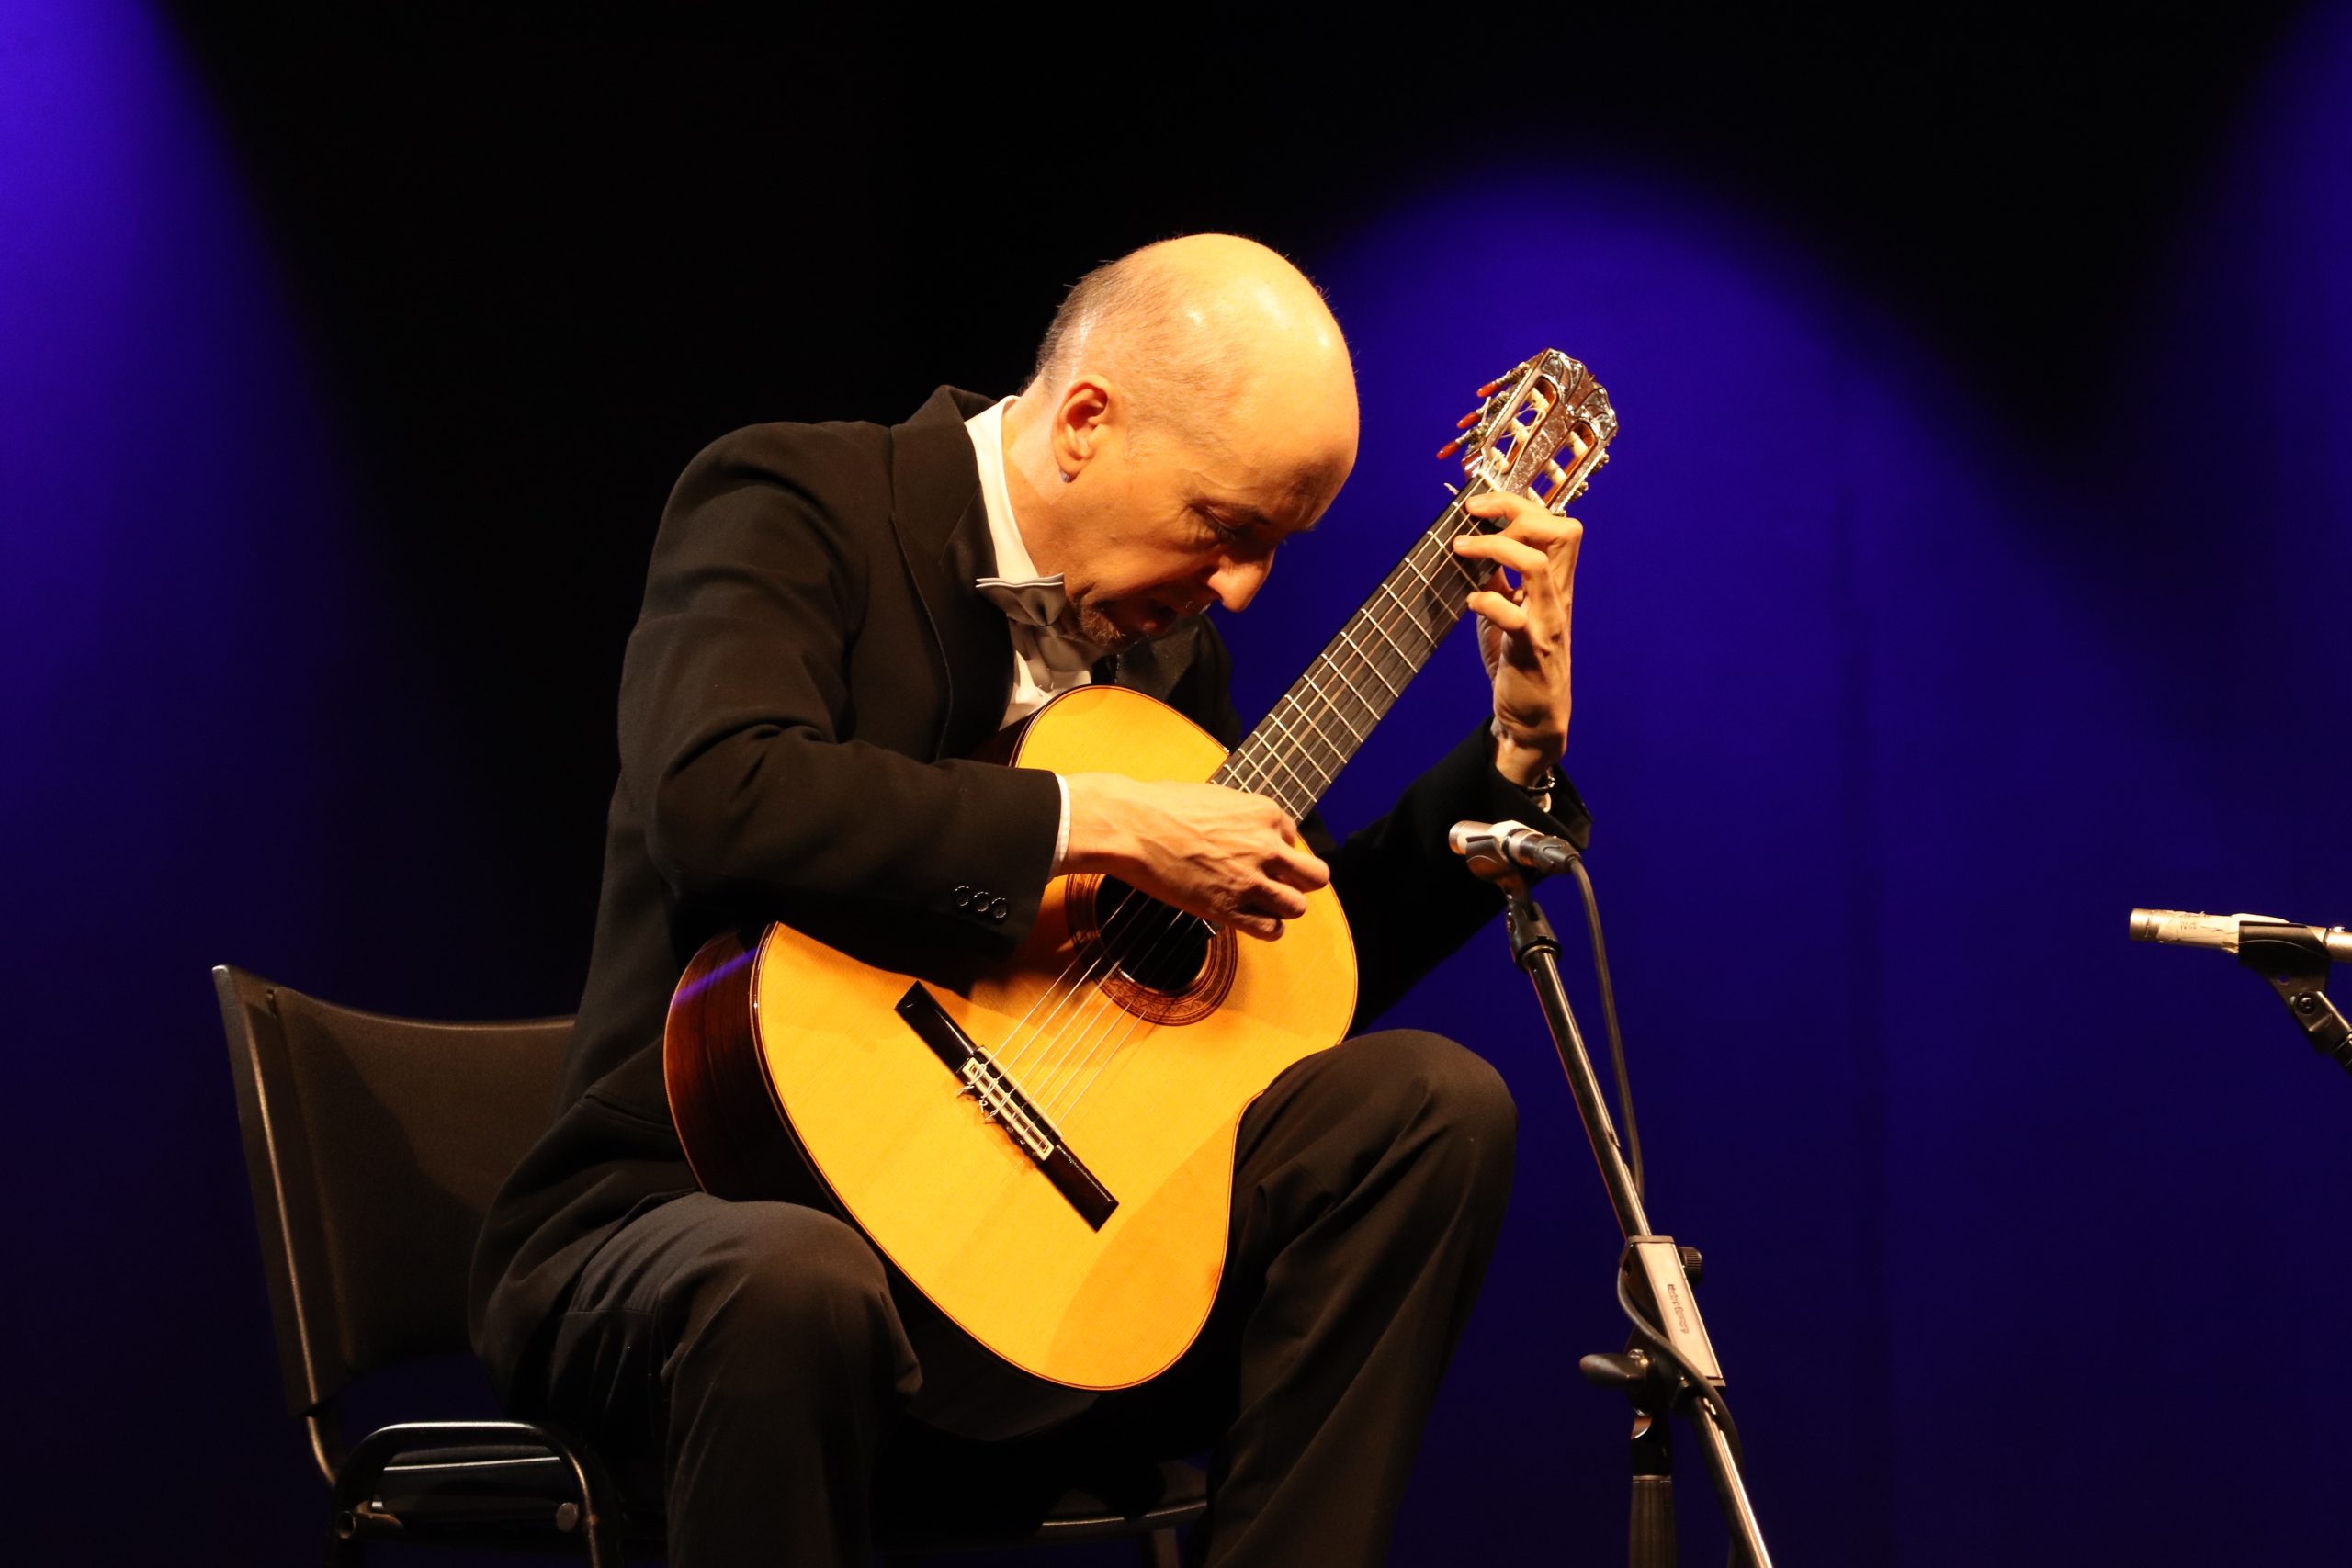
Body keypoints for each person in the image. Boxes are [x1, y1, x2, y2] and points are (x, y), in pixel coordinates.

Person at [469, 233, 1591, 1567]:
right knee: (797, 1282)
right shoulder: (796, 498)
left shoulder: (1169, 654)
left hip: (1031, 1268)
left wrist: (1515, 759)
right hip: (699, 1216)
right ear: (1084, 424)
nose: (1240, 589)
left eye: (1278, 549)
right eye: (1227, 530)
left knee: (1427, 1107)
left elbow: (1298, 979)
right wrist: (1099, 821)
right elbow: (716, 798)